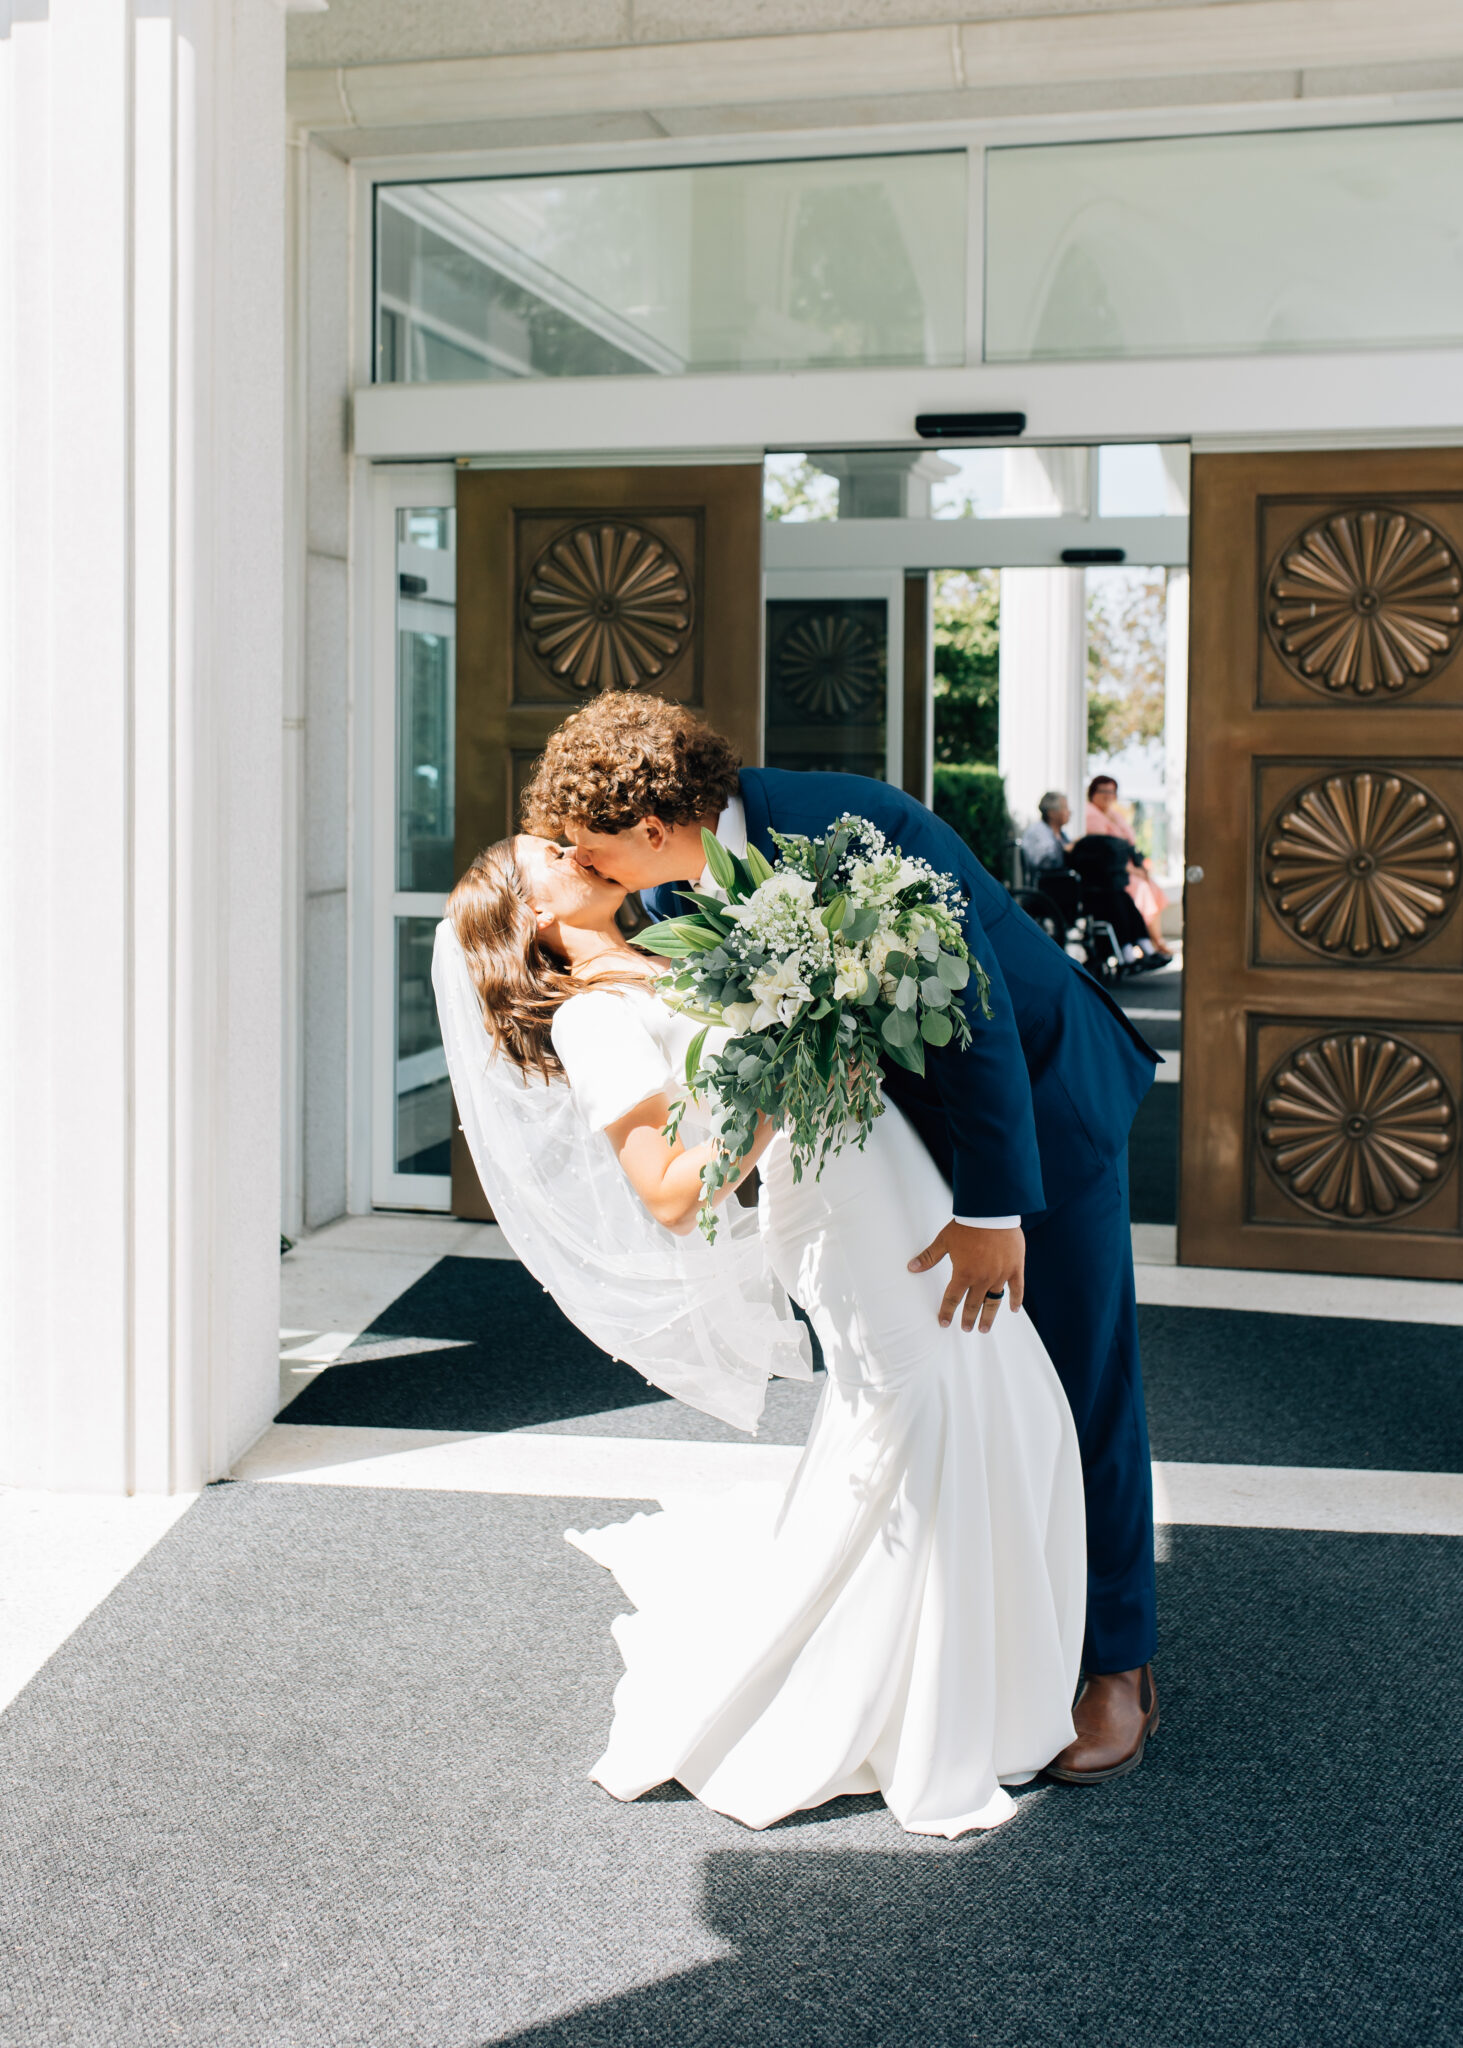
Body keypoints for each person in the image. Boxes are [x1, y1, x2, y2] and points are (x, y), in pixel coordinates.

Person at [523, 693, 1164, 1784]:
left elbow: (976, 1017)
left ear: (646, 824)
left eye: (588, 850)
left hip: (1038, 1108)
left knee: (1081, 1373)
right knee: (975, 1386)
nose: (582, 869)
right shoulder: (671, 882)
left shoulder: (853, 829)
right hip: (899, 1145)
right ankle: (1006, 1624)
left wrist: (990, 1209)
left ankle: (1117, 1666)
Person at [434, 834, 1086, 1838]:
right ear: (524, 913)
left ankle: (995, 1680)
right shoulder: (595, 1018)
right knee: (921, 1419)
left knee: (1006, 1386)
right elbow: (668, 1194)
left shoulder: (661, 946)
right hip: (833, 1209)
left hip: (887, 1164)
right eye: (551, 852)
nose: (576, 844)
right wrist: (765, 1093)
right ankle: (890, 1705)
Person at [1085, 774, 1173, 960]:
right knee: (1140, 890)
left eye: (1111, 791)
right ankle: (1150, 943)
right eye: (1103, 791)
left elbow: (1129, 842)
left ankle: (1150, 942)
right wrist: (1131, 870)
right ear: (1093, 792)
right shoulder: (1091, 815)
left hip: (1124, 868)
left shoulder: (1114, 814)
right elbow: (1104, 852)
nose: (1108, 795)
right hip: (1112, 872)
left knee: (1150, 888)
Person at [1019, 790, 1072, 877]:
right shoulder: (1037, 831)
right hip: (1046, 883)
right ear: (1051, 813)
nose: (1069, 812)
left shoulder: (1062, 834)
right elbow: (1045, 861)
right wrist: (1065, 849)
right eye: (1064, 808)